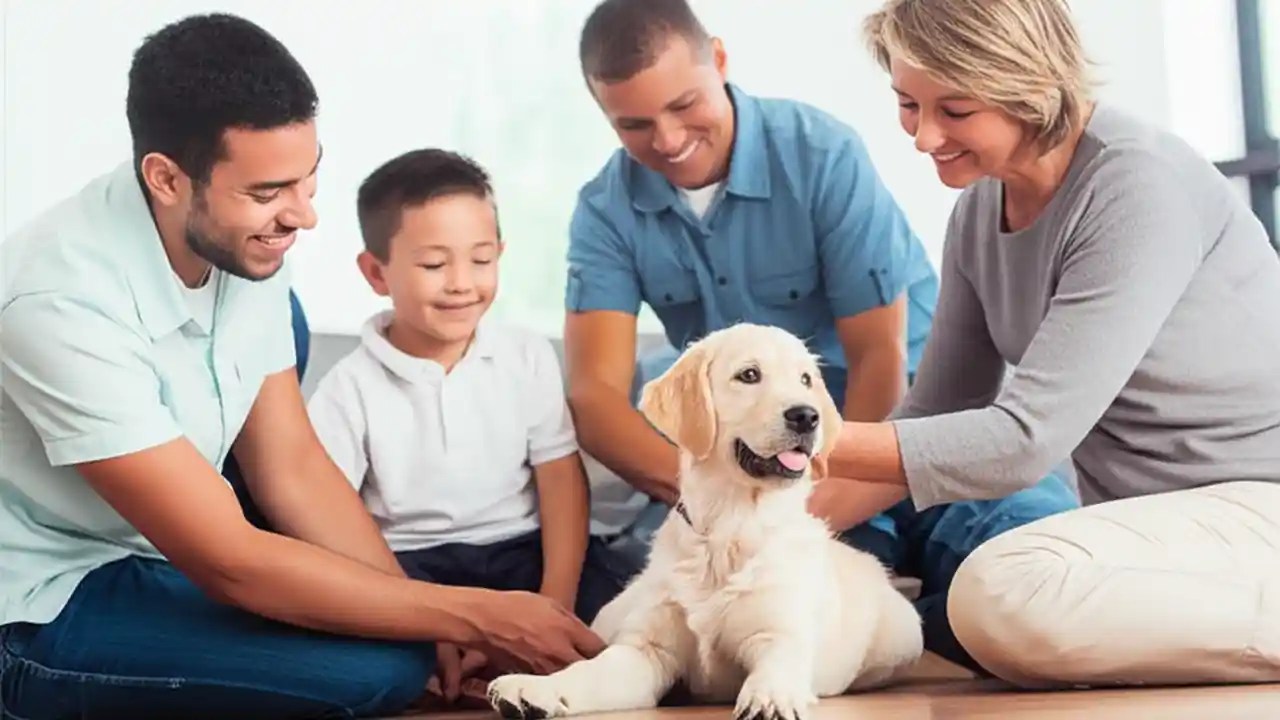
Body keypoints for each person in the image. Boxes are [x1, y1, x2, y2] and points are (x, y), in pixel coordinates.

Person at [0, 13, 602, 719]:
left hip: (170, 547)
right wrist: (473, 616)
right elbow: (227, 559)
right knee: (373, 671)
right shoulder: (57, 301)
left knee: (401, 640)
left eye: (307, 181)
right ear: (165, 178)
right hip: (53, 593)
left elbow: (292, 466)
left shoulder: (242, 246)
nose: (303, 217)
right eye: (266, 194)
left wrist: (428, 616)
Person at [563, 0, 1079, 666]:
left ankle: (923, 622)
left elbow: (879, 359)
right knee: (626, 599)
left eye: (684, 104)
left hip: (904, 434)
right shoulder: (603, 210)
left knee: (1034, 559)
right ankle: (914, 624)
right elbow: (595, 399)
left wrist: (803, 508)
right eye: (632, 124)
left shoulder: (819, 153)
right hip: (760, 471)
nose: (665, 139)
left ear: (718, 61)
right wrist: (717, 496)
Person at [813, 0, 1280, 688]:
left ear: (1027, 87)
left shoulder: (1135, 185)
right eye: (909, 104)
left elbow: (1023, 441)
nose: (922, 136)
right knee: (969, 607)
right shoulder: (978, 211)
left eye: (955, 110)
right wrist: (763, 524)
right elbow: (929, 421)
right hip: (1154, 531)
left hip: (1256, 508)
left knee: (995, 591)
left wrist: (796, 437)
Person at [306, 148, 634, 654]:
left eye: (481, 260)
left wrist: (555, 604)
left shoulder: (524, 356)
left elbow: (561, 480)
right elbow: (330, 521)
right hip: (412, 567)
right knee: (359, 639)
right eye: (435, 264)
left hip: (524, 553)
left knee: (632, 616)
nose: (461, 283)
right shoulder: (347, 388)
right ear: (376, 273)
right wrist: (424, 622)